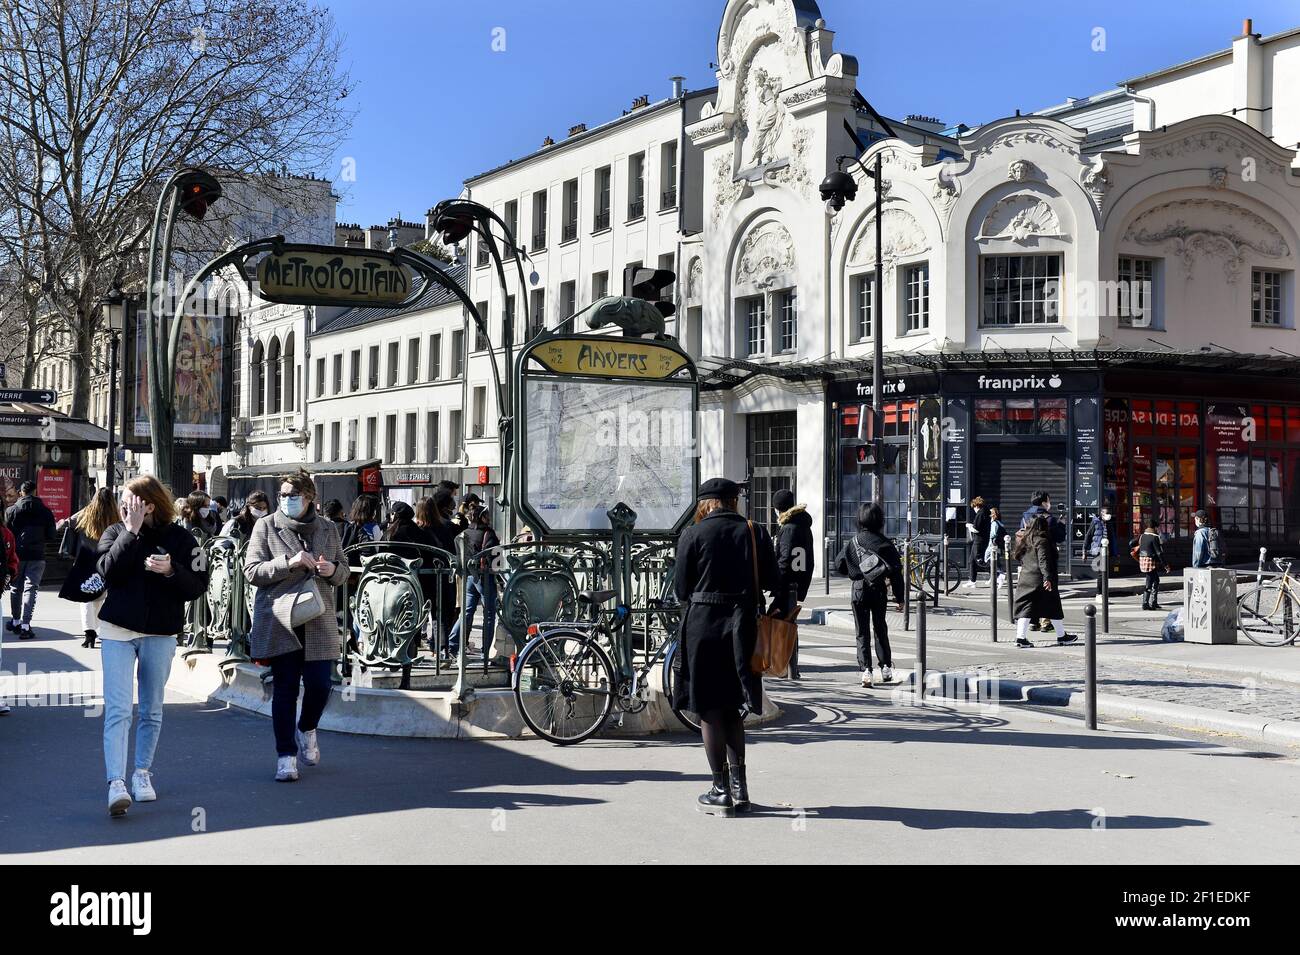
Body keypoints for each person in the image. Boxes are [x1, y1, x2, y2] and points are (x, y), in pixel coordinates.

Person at [95, 475, 208, 816]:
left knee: (151, 708)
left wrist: (173, 570)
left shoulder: (181, 538)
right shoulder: (115, 532)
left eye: (132, 501)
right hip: (117, 629)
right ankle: (116, 782)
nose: (126, 506)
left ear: (151, 504)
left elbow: (197, 586)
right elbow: (106, 571)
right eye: (123, 501)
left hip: (160, 631)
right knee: (117, 709)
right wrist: (129, 532)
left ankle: (142, 772)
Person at [672, 478, 777, 817]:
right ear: (733, 501)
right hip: (742, 625)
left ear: (704, 504)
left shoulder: (692, 534)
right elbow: (774, 580)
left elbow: (681, 588)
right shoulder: (754, 531)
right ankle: (740, 789)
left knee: (709, 710)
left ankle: (720, 789)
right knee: (733, 707)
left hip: (702, 625)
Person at [244, 471, 350, 783]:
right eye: (283, 495)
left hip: (317, 616)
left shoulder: (329, 528)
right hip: (282, 619)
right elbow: (251, 571)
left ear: (309, 499)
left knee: (320, 685)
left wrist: (332, 570)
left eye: (293, 495)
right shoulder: (266, 525)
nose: (286, 500)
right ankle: (286, 756)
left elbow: (343, 570)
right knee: (285, 689)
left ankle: (307, 728)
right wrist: (288, 562)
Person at [835, 503, 905, 688]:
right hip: (879, 589)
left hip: (858, 589)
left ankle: (866, 670)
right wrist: (900, 598)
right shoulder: (885, 542)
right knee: (880, 628)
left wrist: (855, 569)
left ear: (860, 520)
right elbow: (897, 572)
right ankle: (886, 668)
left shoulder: (854, 541)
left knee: (861, 631)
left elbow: (838, 564)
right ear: (880, 520)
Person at [58, 489, 122, 648]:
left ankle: (89, 631)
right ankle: (99, 626)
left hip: (85, 559)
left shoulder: (86, 513)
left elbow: (65, 523)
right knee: (103, 594)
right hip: (108, 559)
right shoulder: (116, 514)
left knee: (85, 597)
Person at [1012, 514, 1076, 648]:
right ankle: (1061, 636)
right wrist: (1047, 578)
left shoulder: (1025, 539)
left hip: (1025, 578)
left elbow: (1019, 557)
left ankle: (1020, 638)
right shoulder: (1042, 541)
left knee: (1026, 607)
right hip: (1040, 579)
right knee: (1053, 606)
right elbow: (1043, 561)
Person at [447, 504, 501, 665]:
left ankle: (453, 644)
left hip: (468, 577)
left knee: (467, 611)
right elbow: (497, 560)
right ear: (482, 517)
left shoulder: (463, 534)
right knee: (489, 614)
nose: (490, 518)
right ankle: (485, 650)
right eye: (487, 515)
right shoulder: (488, 534)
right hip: (484, 577)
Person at [768, 489, 813, 679]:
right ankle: (787, 664)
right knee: (787, 622)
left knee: (776, 621)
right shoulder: (804, 526)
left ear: (778, 508)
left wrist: (774, 582)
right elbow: (809, 560)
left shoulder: (788, 528)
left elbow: (784, 559)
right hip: (799, 581)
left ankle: (784, 665)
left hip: (787, 583)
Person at [5, 480, 56, 640]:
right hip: (37, 555)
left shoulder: (11, 510)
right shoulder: (45, 511)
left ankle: (15, 621)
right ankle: (26, 625)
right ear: (35, 492)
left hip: (17, 555)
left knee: (15, 588)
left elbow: (7, 534)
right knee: (31, 589)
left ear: (21, 492)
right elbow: (51, 535)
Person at [1019, 490, 1065, 631]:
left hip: (1028, 559)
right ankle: (1047, 623)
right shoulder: (1049, 518)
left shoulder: (1025, 515)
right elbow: (1059, 537)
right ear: (1044, 501)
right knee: (1049, 591)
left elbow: (1021, 534)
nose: (1049, 503)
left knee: (1032, 591)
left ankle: (1033, 622)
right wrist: (1062, 524)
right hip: (1045, 557)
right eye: (1048, 500)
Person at [1131, 515, 1168, 611]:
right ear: (1155, 527)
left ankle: (1153, 602)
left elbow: (1131, 543)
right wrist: (1165, 565)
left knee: (1155, 580)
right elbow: (1159, 553)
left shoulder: (1142, 536)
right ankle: (1146, 603)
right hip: (1150, 561)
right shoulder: (1154, 537)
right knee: (1150, 581)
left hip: (1142, 560)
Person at [0, 508, 16, 714]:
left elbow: (12, 561)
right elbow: (12, 561)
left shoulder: (5, 534)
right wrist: (9, 574)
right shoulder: (5, 534)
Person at [1085, 504, 1118, 601]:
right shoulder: (1095, 522)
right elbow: (1088, 536)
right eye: (1107, 513)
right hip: (1098, 550)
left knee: (1105, 573)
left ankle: (1103, 593)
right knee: (1101, 573)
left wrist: (1115, 552)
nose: (1109, 515)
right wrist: (1084, 551)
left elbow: (1112, 539)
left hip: (1107, 551)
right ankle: (1099, 594)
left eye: (1110, 513)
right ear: (1102, 514)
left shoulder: (1109, 523)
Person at [963, 496, 992, 587]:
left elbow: (977, 529)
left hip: (979, 540)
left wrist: (969, 526)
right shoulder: (986, 512)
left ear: (977, 506)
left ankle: (996, 573)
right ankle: (972, 580)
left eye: (974, 507)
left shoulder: (980, 513)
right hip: (981, 539)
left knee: (979, 560)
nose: (974, 509)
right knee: (971, 560)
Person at [985, 504, 1008, 592]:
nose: (989, 515)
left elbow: (993, 534)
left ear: (993, 515)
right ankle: (994, 577)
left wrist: (991, 540)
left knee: (987, 559)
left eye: (990, 513)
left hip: (993, 545)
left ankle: (1000, 576)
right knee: (995, 560)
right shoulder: (1000, 523)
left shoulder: (994, 523)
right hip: (998, 545)